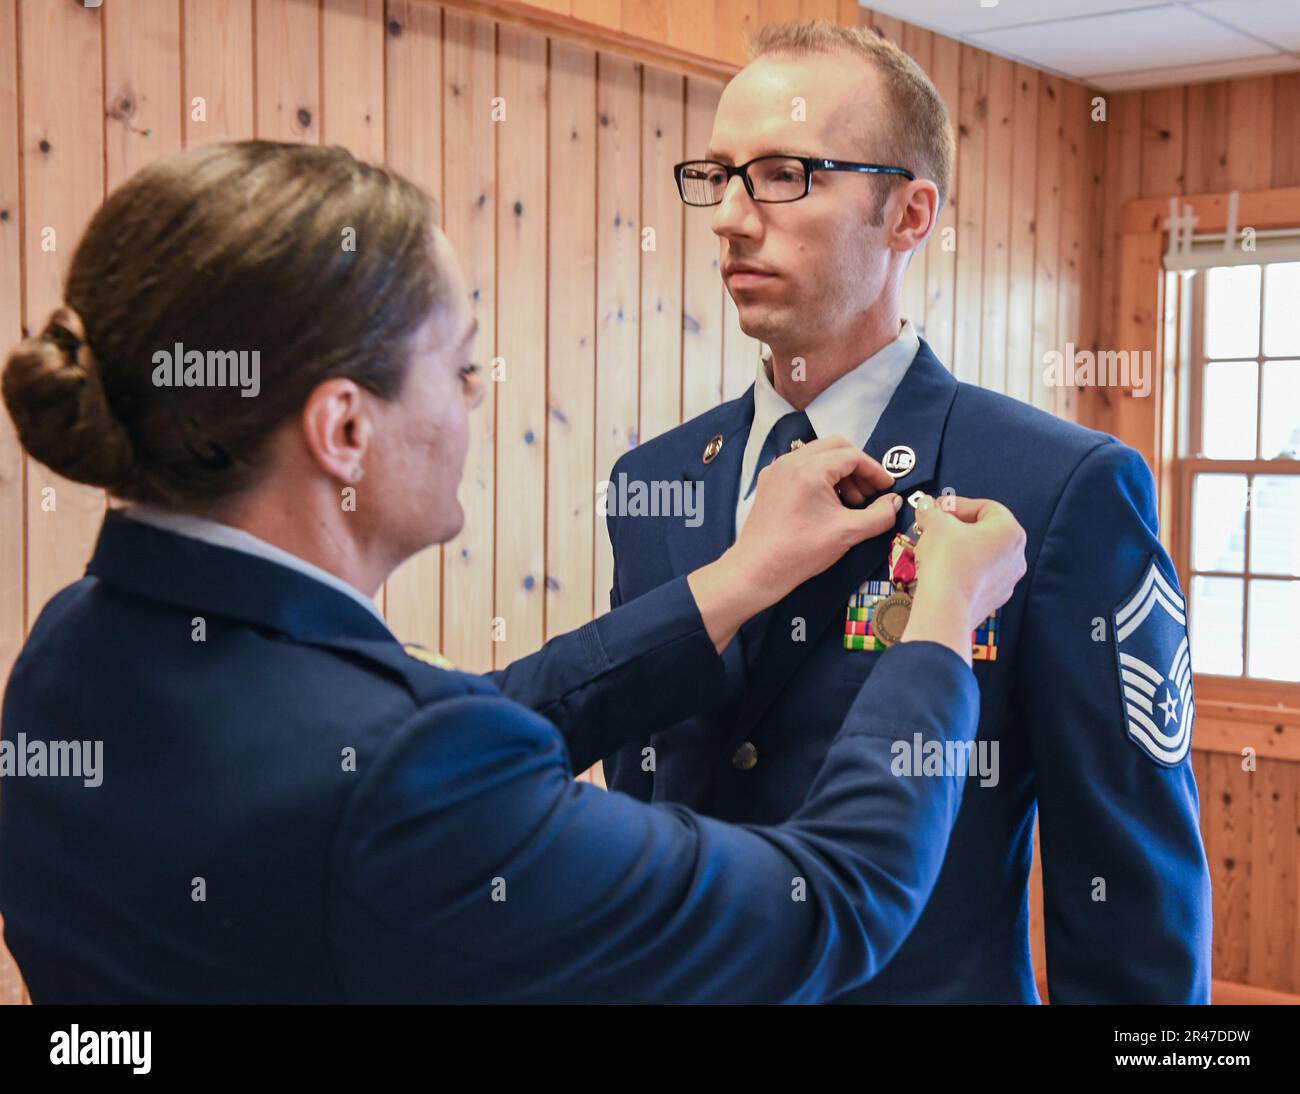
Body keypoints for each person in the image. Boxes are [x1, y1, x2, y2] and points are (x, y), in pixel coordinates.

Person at [0, 140, 1026, 1003]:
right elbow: (834, 901)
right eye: (459, 367)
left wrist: (734, 582)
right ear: (344, 428)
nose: (477, 397)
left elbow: (456, 728)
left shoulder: (75, 638)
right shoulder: (408, 768)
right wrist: (933, 617)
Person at [602, 20, 1212, 1003]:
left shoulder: (1058, 484)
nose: (728, 215)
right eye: (717, 175)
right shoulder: (654, 479)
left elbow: (1129, 884)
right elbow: (637, 787)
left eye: (783, 173)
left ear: (907, 214)